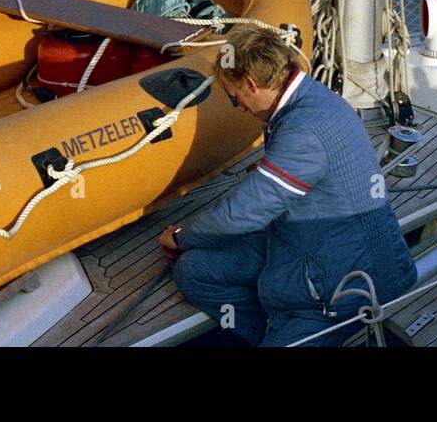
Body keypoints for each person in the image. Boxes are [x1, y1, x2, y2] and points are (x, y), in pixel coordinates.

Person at [161, 25, 417, 346]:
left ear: (251, 84)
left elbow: (244, 213)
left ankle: (293, 332)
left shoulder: (304, 132)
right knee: (195, 271)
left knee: (193, 254)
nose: (238, 107)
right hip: (303, 246)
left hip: (339, 286)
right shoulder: (311, 98)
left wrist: (182, 237)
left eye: (233, 97)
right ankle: (267, 335)